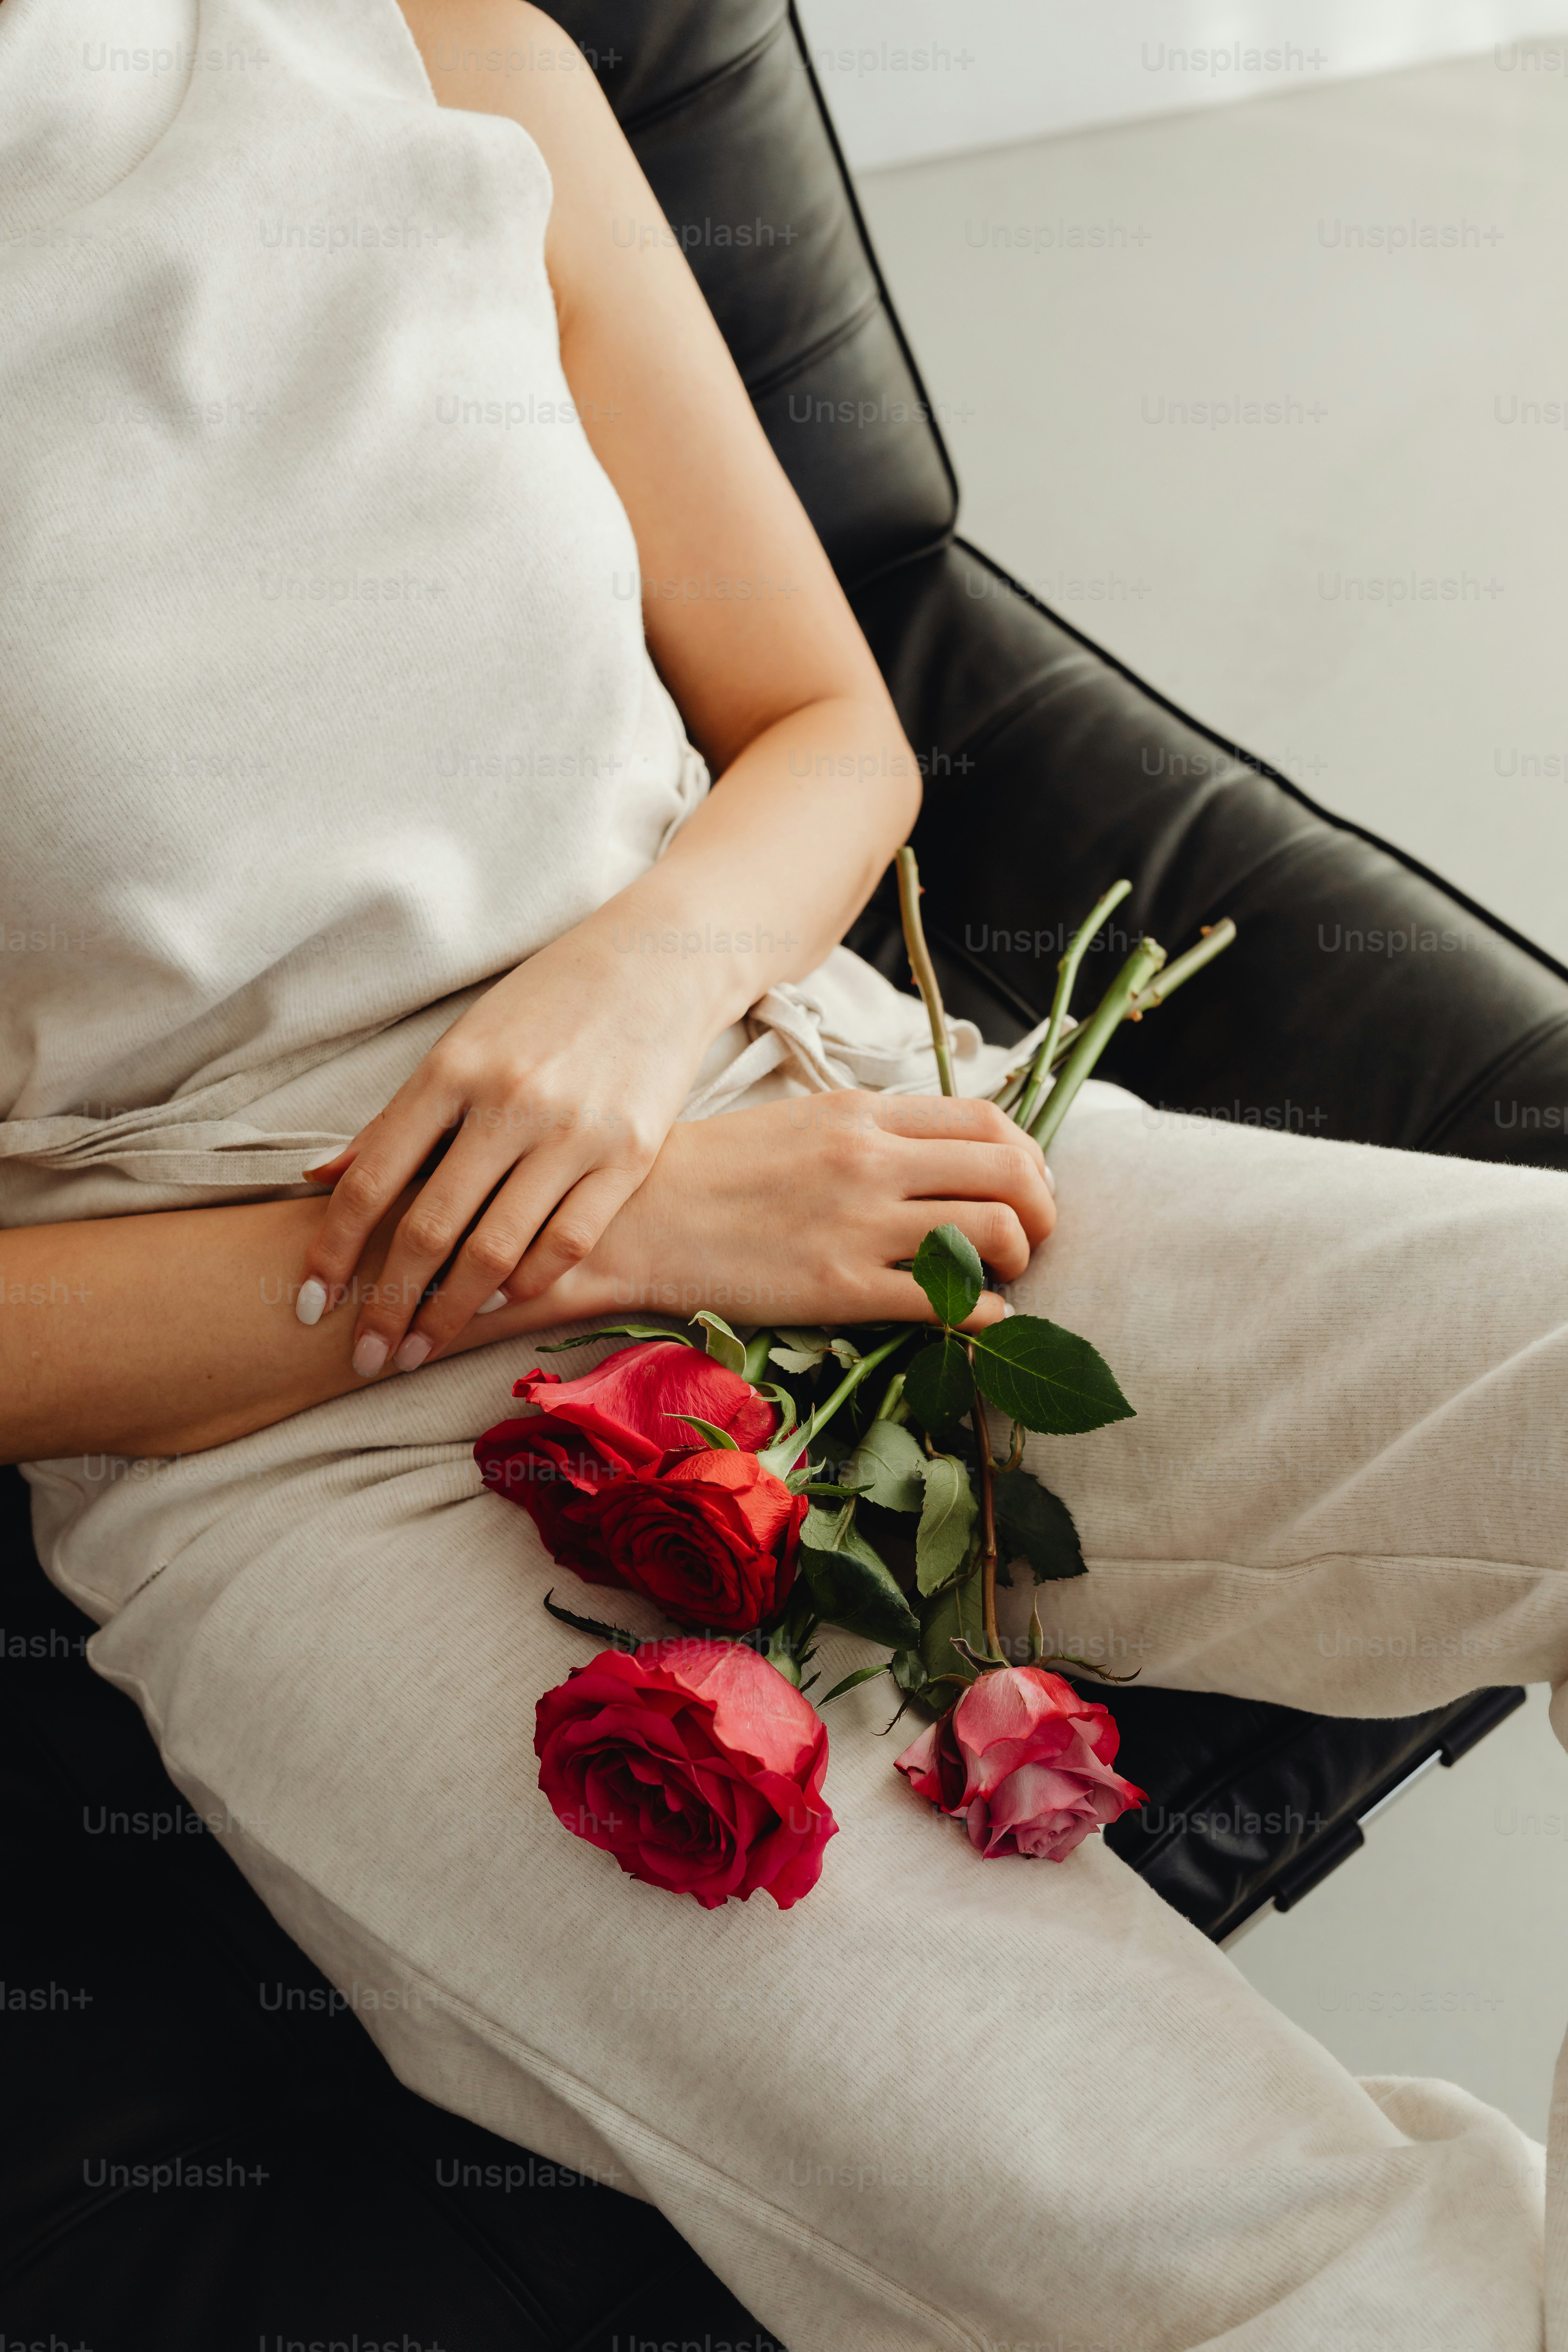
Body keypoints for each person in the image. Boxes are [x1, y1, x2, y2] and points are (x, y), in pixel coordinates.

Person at [2, 6, 1564, 2345]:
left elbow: (827, 727)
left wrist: (633, 1008)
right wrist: (616, 1232)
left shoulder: (446, 49)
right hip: (308, 1433)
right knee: (1223, 2277)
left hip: (822, 1124)